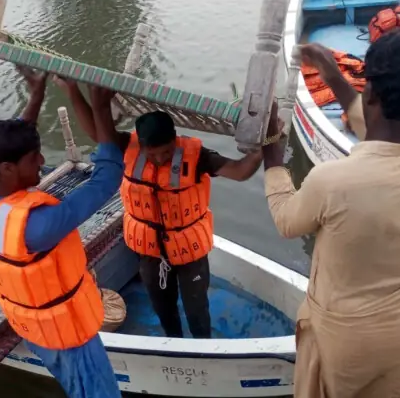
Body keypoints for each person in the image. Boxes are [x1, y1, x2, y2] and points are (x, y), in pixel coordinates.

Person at [262, 30, 400, 397]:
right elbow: (384, 132)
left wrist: (273, 161)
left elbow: (287, 220)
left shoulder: (333, 181)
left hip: (349, 342)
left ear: (370, 93)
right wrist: (332, 74)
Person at [0, 67, 123, 398]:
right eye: (35, 159)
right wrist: (101, 110)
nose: (43, 161)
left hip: (29, 324)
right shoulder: (37, 226)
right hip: (69, 335)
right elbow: (107, 179)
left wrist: (36, 95)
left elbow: (8, 144)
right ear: (7, 168)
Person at [58, 78, 263, 339]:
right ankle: (174, 342)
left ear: (175, 141)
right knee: (163, 308)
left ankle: (203, 348)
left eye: (165, 152)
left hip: (189, 251)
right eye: (151, 153)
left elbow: (240, 171)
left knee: (196, 309)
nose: (159, 159)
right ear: (141, 145)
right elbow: (98, 133)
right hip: (151, 251)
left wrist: (261, 150)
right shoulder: (128, 147)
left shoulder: (198, 157)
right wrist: (78, 94)